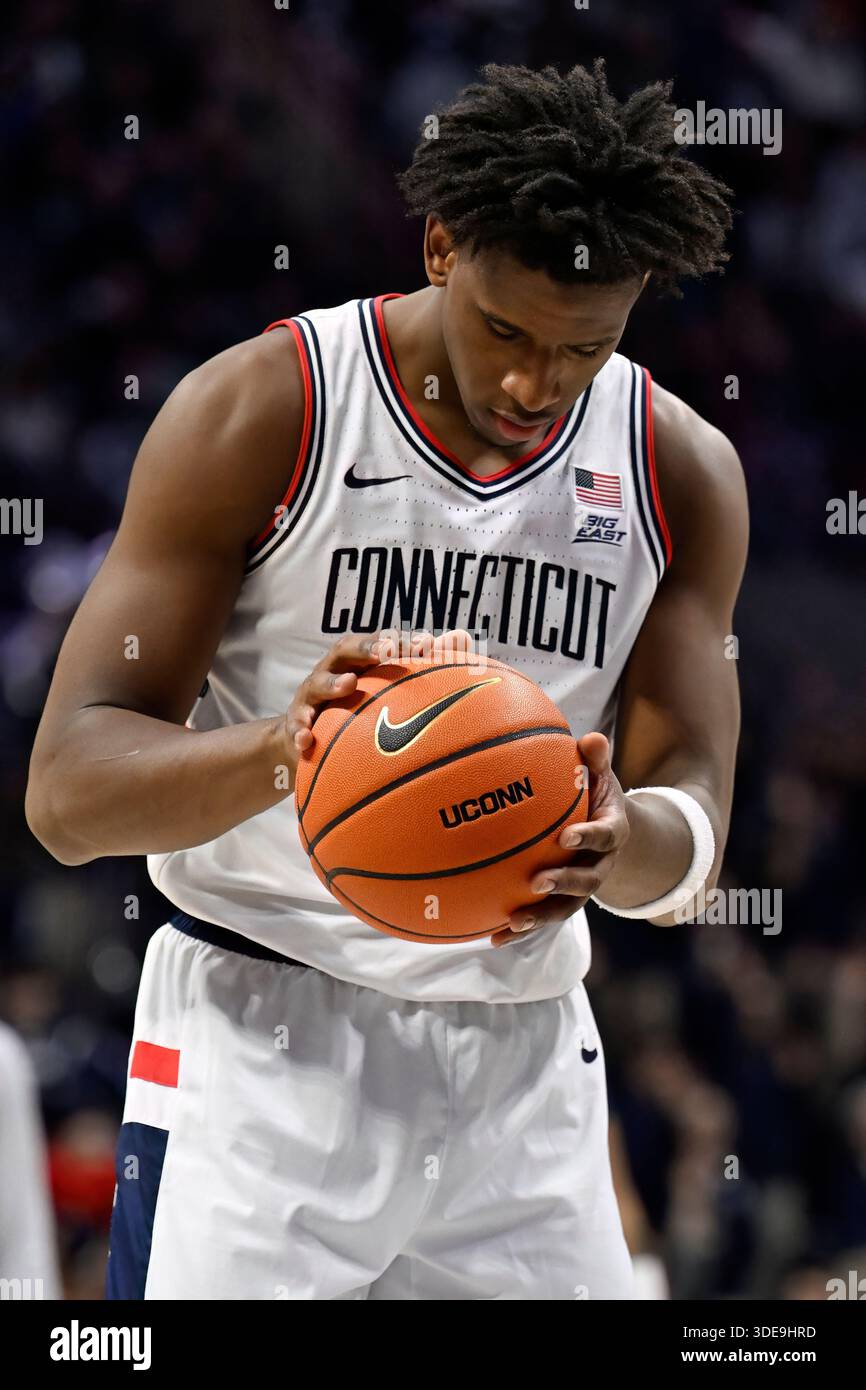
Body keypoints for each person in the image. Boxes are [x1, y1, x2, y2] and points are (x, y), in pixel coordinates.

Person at [26, 60, 748, 1300]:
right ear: (438, 246)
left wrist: (616, 838)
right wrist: (280, 750)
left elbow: (693, 832)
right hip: (260, 1043)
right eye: (506, 330)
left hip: (521, 1071)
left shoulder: (676, 468)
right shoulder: (265, 410)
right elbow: (68, 790)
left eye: (583, 345)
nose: (534, 386)